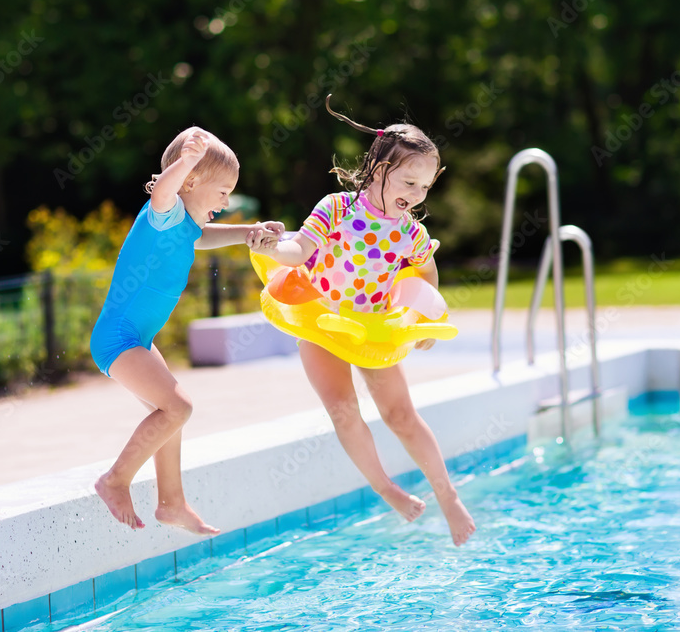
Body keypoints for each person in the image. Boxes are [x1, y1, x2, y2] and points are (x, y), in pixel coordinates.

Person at [256, 97, 476, 546]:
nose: (417, 194)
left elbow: (425, 274)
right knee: (343, 410)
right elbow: (299, 251)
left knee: (400, 414)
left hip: (373, 329)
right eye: (409, 182)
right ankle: (385, 487)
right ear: (378, 171)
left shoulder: (411, 232)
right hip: (320, 319)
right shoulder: (336, 208)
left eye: (425, 186)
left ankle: (447, 495)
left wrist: (424, 316)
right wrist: (273, 249)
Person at [91, 127, 283, 533]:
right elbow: (163, 192)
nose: (226, 202)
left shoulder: (184, 227)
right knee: (178, 408)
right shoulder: (164, 213)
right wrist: (186, 161)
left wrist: (249, 233)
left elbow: (202, 237)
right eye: (223, 192)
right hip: (119, 339)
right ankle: (115, 480)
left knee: (169, 414)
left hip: (137, 339)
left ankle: (172, 503)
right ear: (190, 181)